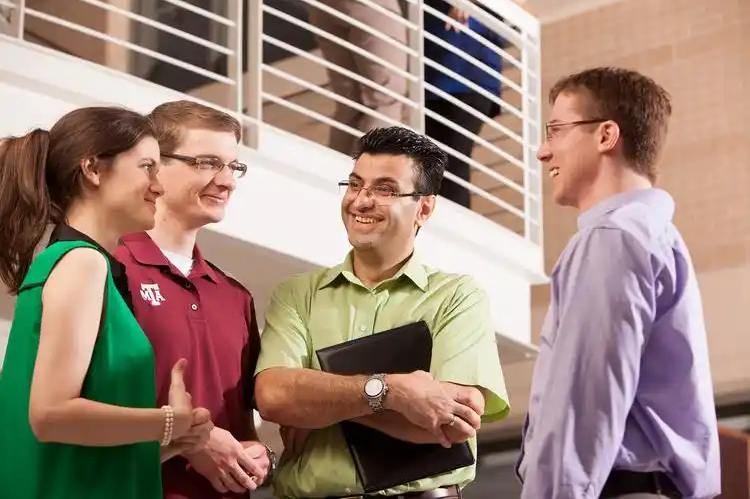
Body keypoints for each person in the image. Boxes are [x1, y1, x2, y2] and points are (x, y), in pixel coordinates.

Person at [254, 126, 509, 499]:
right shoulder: (297, 295)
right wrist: (394, 392)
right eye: (355, 184)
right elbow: (274, 398)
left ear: (424, 207)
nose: (360, 201)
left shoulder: (457, 297)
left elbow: (450, 422)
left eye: (385, 190)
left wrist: (319, 399)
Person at [516, 67, 721, 498]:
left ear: (606, 135)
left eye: (556, 131)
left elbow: (584, 407)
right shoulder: (654, 235)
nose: (542, 152)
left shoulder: (611, 238)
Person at [0, 106, 212, 499]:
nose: (158, 186)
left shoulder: (75, 263)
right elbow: (50, 416)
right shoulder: (82, 262)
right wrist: (167, 421)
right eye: (147, 167)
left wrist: (169, 443)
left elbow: (66, 449)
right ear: (94, 170)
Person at [114, 100, 272, 499]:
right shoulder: (105, 268)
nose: (227, 181)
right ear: (153, 166)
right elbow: (67, 417)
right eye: (206, 163)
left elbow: (243, 427)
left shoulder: (236, 297)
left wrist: (257, 454)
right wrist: (187, 440)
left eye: (233, 166)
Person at [423, 0, 509, 208]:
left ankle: (452, 233)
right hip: (430, 73)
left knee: (451, 164)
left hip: (468, 75)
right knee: (428, 167)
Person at [307, 0, 408, 156]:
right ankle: (363, 176)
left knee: (349, 105)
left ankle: (335, 174)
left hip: (323, 6)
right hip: (371, 5)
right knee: (385, 100)